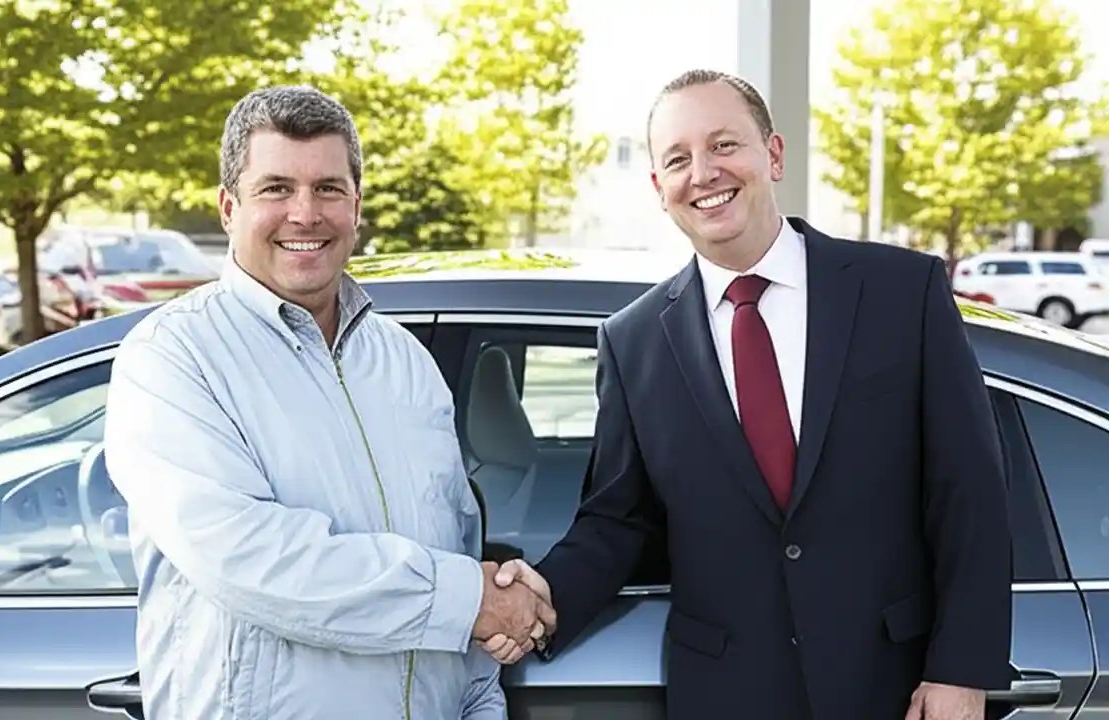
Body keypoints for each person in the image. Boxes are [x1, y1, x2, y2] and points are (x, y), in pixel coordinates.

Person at [483, 69, 1012, 720]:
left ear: (775, 154)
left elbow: (971, 491)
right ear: (659, 188)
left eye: (723, 145)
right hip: (727, 695)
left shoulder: (903, 293)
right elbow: (621, 518)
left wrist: (960, 669)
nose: (703, 172)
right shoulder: (635, 341)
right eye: (678, 159)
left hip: (893, 687)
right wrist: (541, 595)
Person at [103, 84, 552, 720]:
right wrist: (469, 600)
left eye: (328, 189)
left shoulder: (406, 362)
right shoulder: (174, 356)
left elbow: (454, 542)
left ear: (357, 206)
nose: (305, 213)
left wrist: (480, 703)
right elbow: (255, 562)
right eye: (276, 189)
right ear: (229, 207)